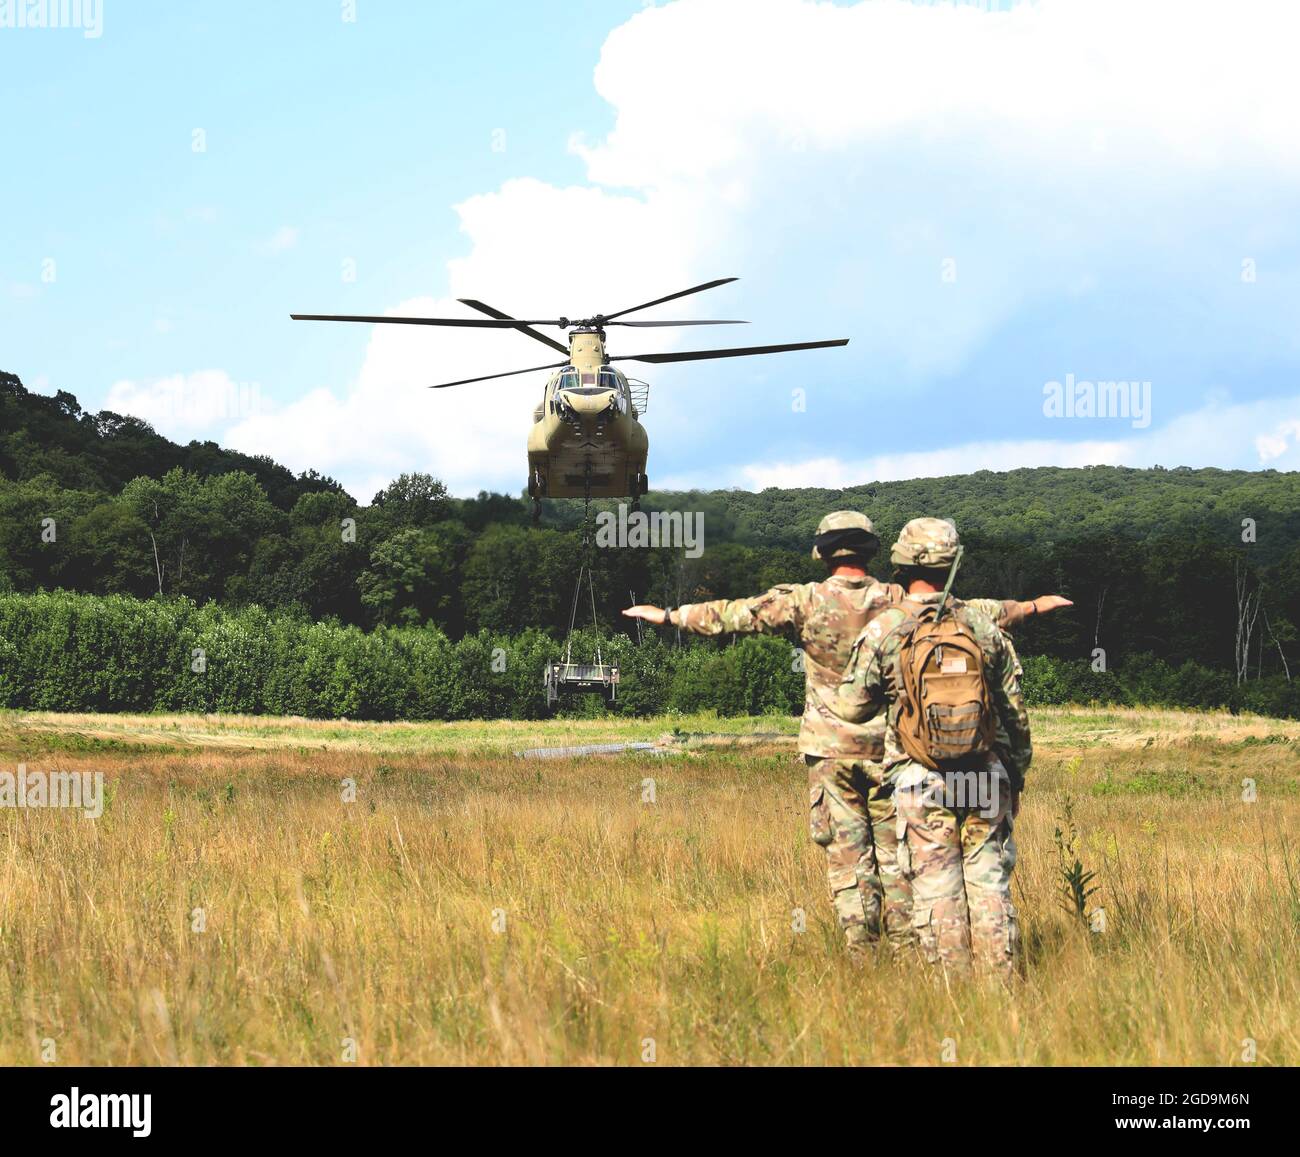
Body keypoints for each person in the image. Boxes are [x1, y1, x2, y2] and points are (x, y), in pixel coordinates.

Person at [623, 511, 1068, 954]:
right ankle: (909, 952)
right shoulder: (897, 597)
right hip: (898, 753)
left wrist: (668, 616)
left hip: (831, 753)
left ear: (822, 552)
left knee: (848, 860)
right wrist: (1029, 608)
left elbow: (734, 615)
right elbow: (973, 611)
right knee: (900, 862)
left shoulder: (805, 601)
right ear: (875, 552)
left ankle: (862, 954)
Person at [838, 518, 1031, 980]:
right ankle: (999, 992)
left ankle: (952, 1000)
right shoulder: (982, 627)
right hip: (984, 774)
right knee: (989, 888)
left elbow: (851, 706)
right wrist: (1016, 774)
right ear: (954, 564)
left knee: (937, 890)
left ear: (902, 563)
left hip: (919, 776)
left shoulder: (887, 628)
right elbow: (1014, 714)